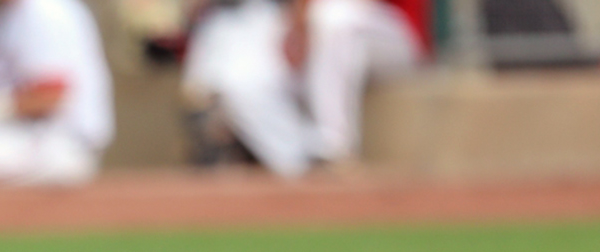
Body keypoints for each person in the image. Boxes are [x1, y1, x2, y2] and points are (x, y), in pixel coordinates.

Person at [182, 0, 426, 175]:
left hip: (391, 32)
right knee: (241, 80)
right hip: (303, 27)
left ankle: (334, 150)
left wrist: (299, 19)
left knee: (335, 15)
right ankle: (300, 167)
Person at [0, 0, 114, 185]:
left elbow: (50, 96)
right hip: (31, 137)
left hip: (61, 143)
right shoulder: (7, 13)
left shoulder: (42, 11)